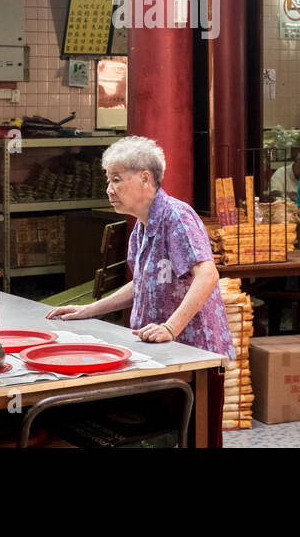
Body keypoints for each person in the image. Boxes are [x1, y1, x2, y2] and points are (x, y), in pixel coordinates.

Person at [46, 136, 233, 443]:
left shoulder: (177, 216)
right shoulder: (141, 226)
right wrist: (88, 310)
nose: (109, 189)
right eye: (109, 180)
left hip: (195, 354)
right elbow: (142, 283)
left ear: (146, 178)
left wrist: (170, 328)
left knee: (198, 437)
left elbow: (207, 274)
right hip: (159, 353)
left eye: (117, 180)